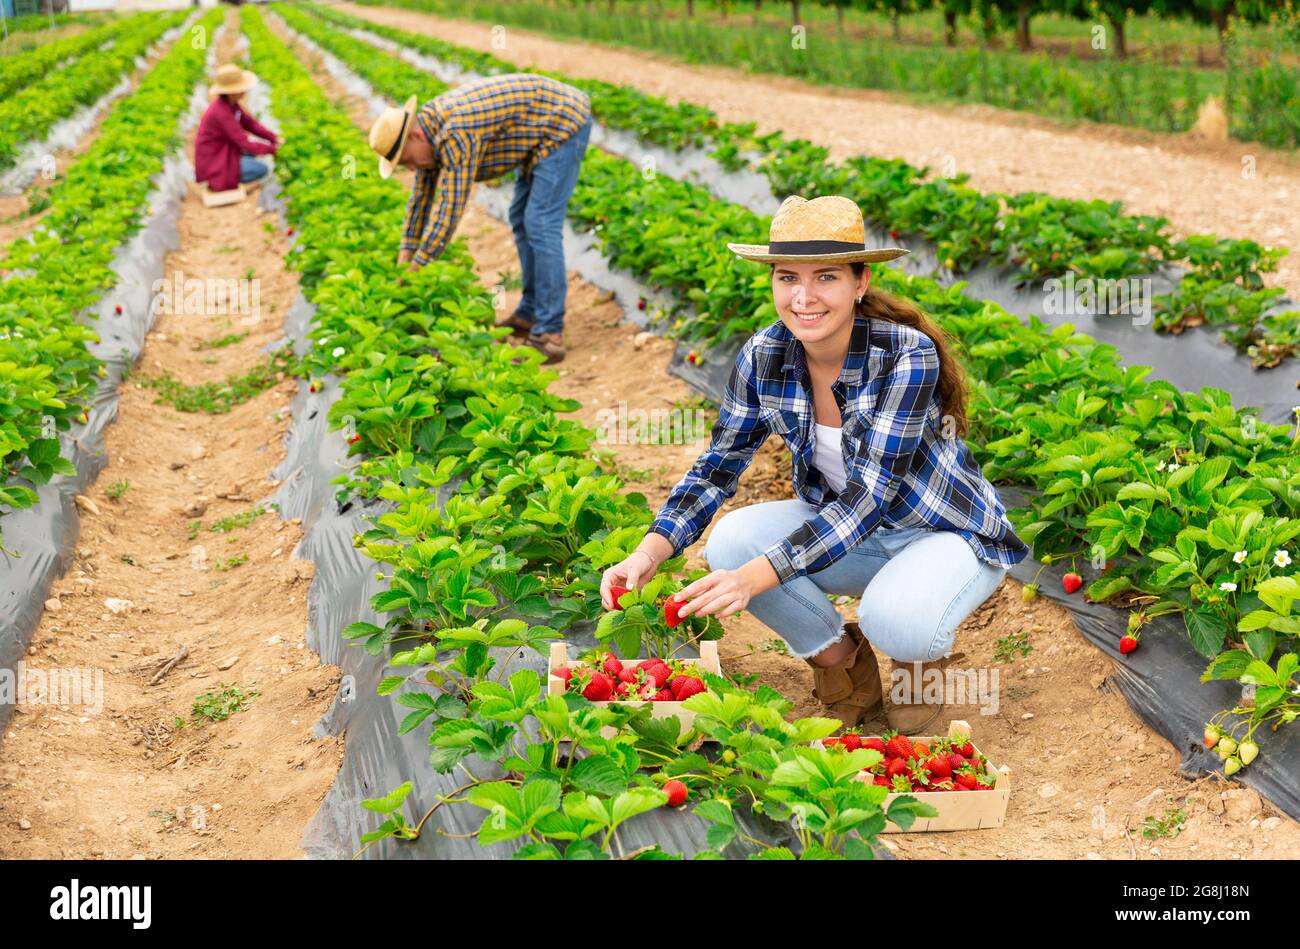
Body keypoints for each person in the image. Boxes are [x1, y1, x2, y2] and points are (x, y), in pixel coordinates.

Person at [599, 195, 1030, 733]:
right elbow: (718, 466)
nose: (803, 297)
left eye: (825, 277)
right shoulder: (765, 356)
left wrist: (752, 580)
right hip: (850, 535)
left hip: (942, 536)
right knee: (731, 541)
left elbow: (870, 495)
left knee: (893, 619)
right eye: (786, 278)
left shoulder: (905, 354)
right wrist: (648, 551)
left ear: (860, 282)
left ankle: (918, 664)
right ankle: (840, 660)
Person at [366, 74, 592, 365]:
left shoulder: (456, 132)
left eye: (408, 160)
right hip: (536, 135)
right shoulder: (430, 133)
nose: (411, 168)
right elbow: (420, 199)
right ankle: (530, 312)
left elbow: (450, 209)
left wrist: (417, 267)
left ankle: (549, 333)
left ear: (416, 136)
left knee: (540, 222)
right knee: (521, 217)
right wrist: (405, 253)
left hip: (562, 123)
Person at [194, 64, 278, 193]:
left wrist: (274, 138)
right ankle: (218, 180)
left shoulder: (230, 104)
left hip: (223, 151)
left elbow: (250, 124)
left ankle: (237, 167)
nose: (245, 91)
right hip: (215, 161)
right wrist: (273, 149)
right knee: (262, 169)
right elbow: (244, 143)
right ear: (232, 91)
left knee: (252, 154)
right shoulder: (221, 112)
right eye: (241, 88)